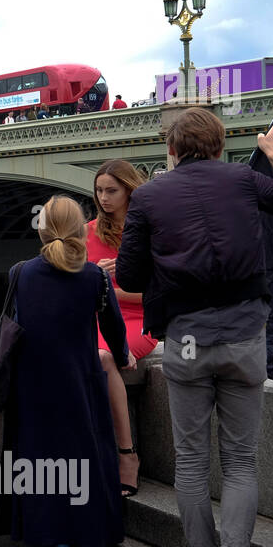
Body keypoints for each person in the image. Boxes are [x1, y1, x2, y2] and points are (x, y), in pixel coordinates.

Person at [116, 108, 273, 547]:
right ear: (218, 143)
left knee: (191, 461)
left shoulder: (147, 197)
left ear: (172, 148)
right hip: (246, 335)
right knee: (241, 462)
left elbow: (130, 277)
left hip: (186, 342)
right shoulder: (245, 179)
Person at [0, 195, 129, 547]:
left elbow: (11, 329)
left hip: (31, 395)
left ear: (42, 228)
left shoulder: (21, 274)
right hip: (78, 393)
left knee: (41, 474)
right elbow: (117, 339)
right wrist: (121, 357)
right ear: (78, 228)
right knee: (78, 476)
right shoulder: (93, 279)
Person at [88, 160, 157, 496]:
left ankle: (127, 456)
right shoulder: (88, 233)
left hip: (139, 320)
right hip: (96, 318)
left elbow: (158, 295)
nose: (104, 198)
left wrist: (109, 289)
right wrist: (92, 280)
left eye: (111, 190)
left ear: (130, 190)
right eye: (99, 190)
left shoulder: (149, 232)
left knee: (103, 357)